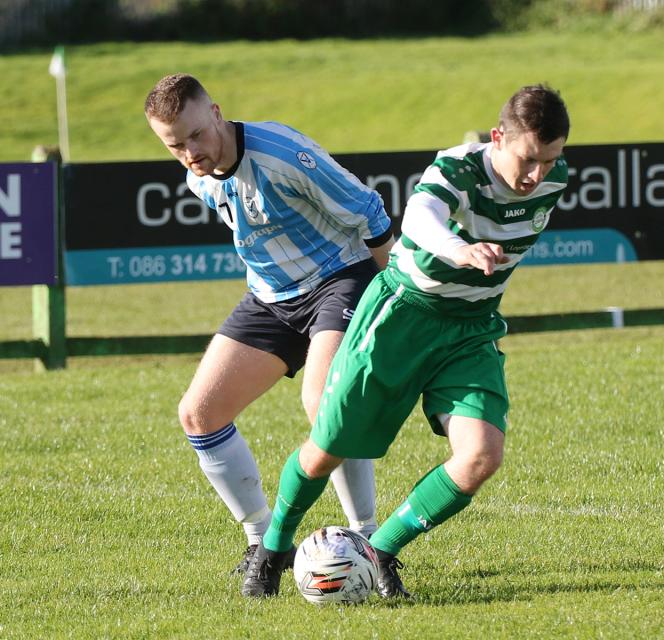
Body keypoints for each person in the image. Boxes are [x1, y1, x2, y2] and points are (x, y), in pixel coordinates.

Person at [242, 83, 570, 599]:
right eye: (529, 159)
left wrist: (476, 267)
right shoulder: (457, 169)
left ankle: (380, 553)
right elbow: (420, 218)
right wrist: (459, 251)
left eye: (550, 161)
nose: (537, 175)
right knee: (328, 446)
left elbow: (534, 188)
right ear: (497, 137)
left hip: (471, 328)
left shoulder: (554, 179)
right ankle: (273, 546)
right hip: (402, 315)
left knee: (481, 456)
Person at [144, 74, 395, 576]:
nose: (190, 152)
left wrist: (393, 298)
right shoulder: (198, 174)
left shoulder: (281, 152)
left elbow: (368, 209)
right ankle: (263, 544)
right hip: (271, 297)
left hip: (338, 278)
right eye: (175, 145)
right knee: (199, 414)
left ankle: (367, 543)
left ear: (215, 112)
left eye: (196, 135)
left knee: (324, 403)